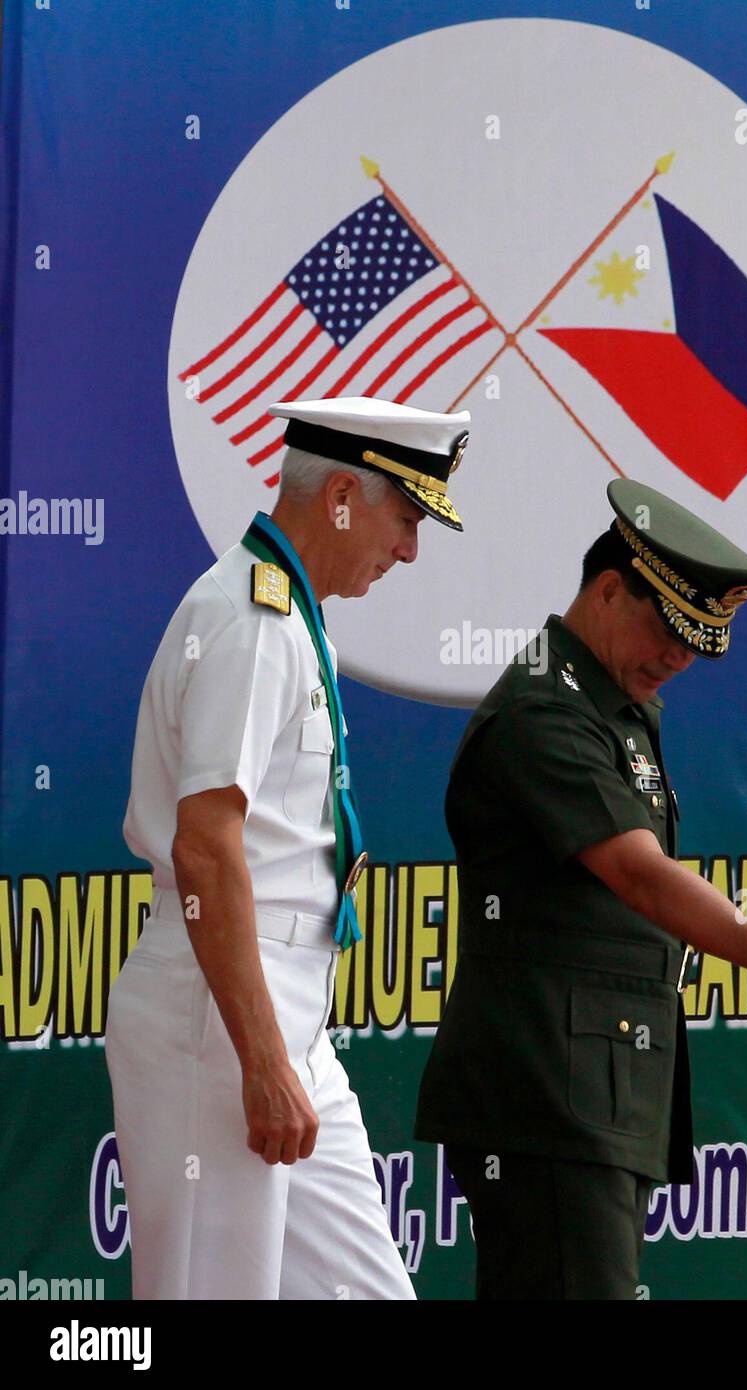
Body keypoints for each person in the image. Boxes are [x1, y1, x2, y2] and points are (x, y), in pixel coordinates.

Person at [414, 478, 747, 1301]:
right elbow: (636, 870)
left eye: (695, 646)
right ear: (606, 589)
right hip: (546, 1092)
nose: (677, 658)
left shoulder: (618, 707)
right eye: (666, 629)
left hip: (597, 1092)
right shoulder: (541, 710)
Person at [105, 395, 469, 1299]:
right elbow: (206, 851)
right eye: (408, 517)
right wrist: (262, 1062)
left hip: (280, 1023)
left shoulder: (291, 621)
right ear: (343, 494)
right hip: (221, 1028)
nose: (411, 549)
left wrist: (280, 1055)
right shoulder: (249, 621)